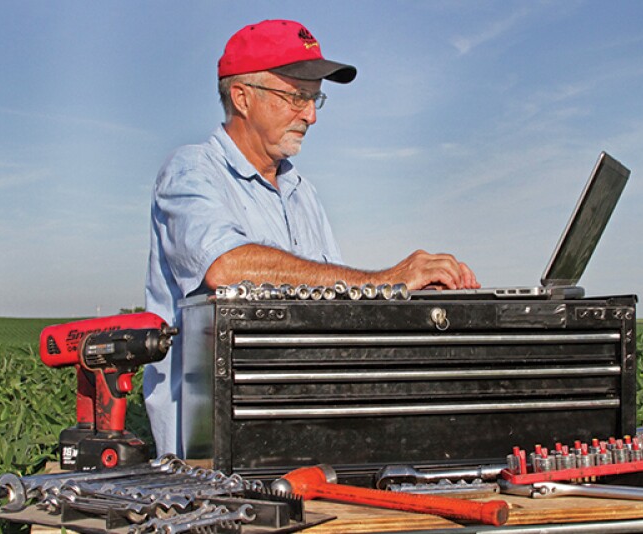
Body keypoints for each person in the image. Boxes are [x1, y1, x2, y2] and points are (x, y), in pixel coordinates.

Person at [144, 19, 479, 456]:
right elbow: (225, 266)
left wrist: (408, 301)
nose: (311, 115)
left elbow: (334, 306)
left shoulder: (302, 192)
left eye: (315, 98)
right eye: (296, 97)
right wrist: (381, 281)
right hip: (212, 456)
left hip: (295, 443)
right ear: (242, 98)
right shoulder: (191, 171)